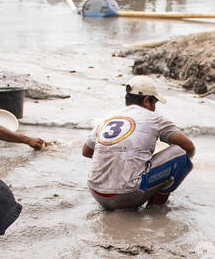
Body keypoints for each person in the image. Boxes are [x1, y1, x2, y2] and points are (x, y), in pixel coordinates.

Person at [81, 76, 195, 210]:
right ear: (147, 100)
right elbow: (188, 147)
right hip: (128, 195)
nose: (154, 108)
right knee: (179, 154)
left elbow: (86, 152)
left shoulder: (107, 118)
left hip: (97, 192)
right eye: (154, 103)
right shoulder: (154, 118)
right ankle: (155, 209)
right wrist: (168, 177)